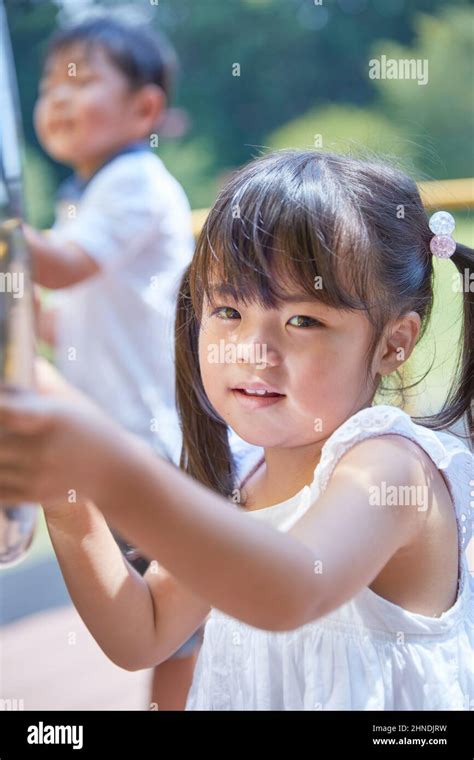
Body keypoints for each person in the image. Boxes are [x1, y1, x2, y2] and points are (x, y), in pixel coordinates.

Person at [2, 149, 472, 710]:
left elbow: (291, 588)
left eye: (303, 320)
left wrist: (110, 470)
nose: (253, 351)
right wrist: (66, 492)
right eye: (228, 311)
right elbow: (144, 632)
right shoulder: (246, 477)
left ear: (394, 343)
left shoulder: (391, 469)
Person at [22, 15, 202, 710]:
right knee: (168, 619)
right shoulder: (88, 194)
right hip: (120, 437)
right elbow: (69, 319)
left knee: (176, 622)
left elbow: (63, 269)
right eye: (47, 87)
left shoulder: (134, 182)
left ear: (146, 109)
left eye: (80, 80)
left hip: (153, 441)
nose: (58, 100)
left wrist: (11, 236)